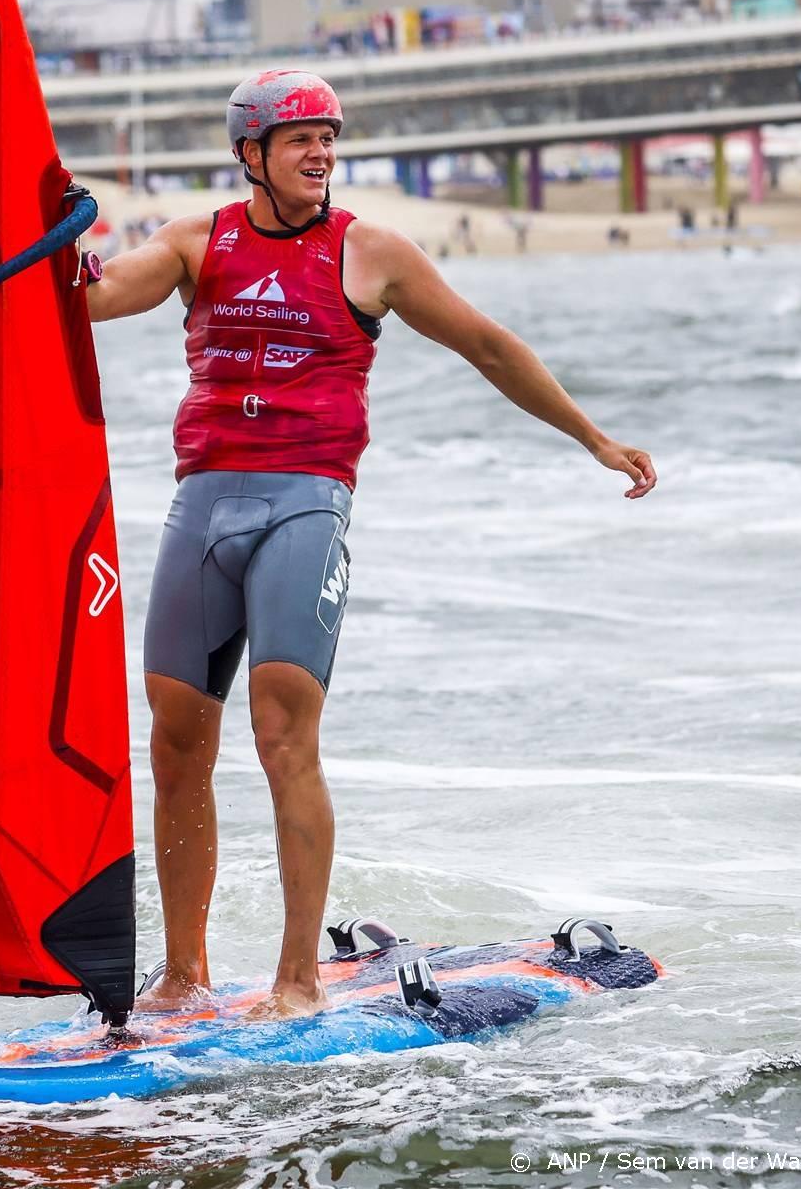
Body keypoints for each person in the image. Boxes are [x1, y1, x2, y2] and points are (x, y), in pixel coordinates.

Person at [78, 69, 657, 1019]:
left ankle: (297, 980)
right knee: (177, 746)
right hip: (201, 507)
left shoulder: (371, 253)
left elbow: (488, 344)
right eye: (300, 138)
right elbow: (91, 302)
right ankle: (184, 976)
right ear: (250, 155)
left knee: (281, 735)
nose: (322, 153)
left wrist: (592, 437)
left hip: (304, 505)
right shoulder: (196, 242)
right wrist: (44, 243)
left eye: (329, 137)